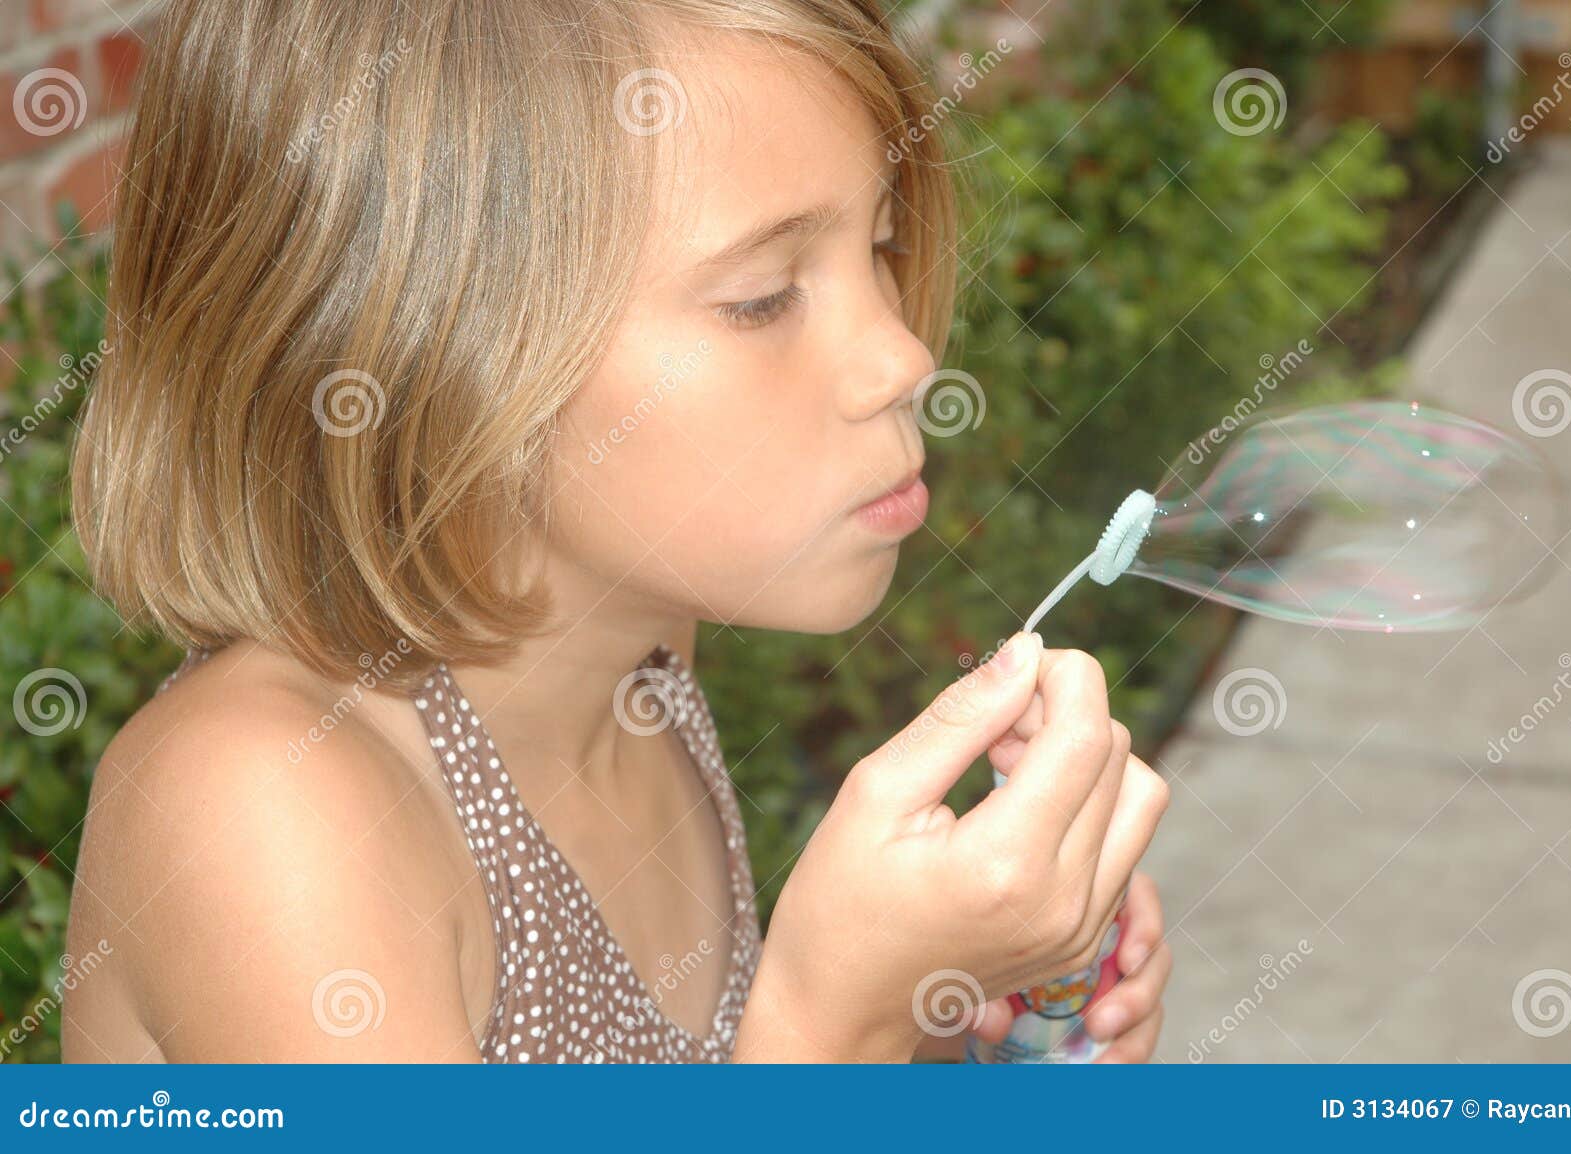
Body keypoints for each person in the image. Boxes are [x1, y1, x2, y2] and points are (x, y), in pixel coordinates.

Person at [62, 0, 1170, 1063]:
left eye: (878, 243)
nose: (902, 359)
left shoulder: (636, 655)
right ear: (424, 356)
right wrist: (841, 1018)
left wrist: (950, 988)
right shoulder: (263, 812)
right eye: (763, 295)